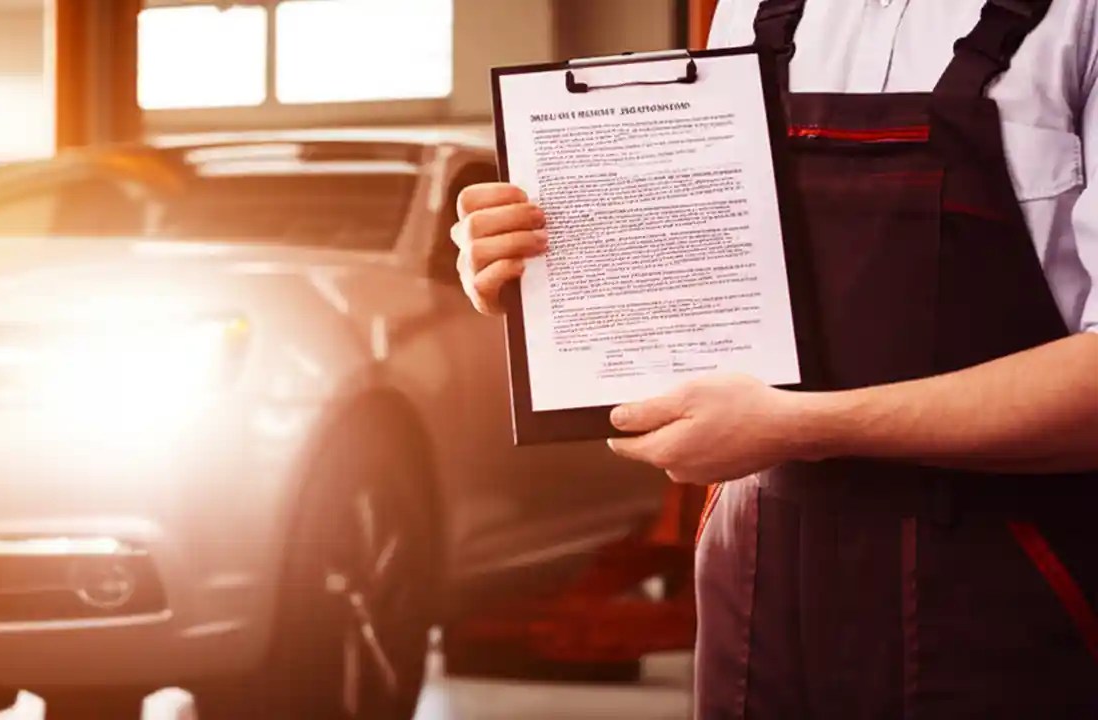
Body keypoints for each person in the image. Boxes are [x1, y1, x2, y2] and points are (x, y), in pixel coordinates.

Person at [450, 0, 1098, 716]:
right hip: (757, 587)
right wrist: (540, 276)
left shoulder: (1078, 19)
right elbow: (699, 280)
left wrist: (800, 426)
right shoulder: (754, 12)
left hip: (1010, 592)